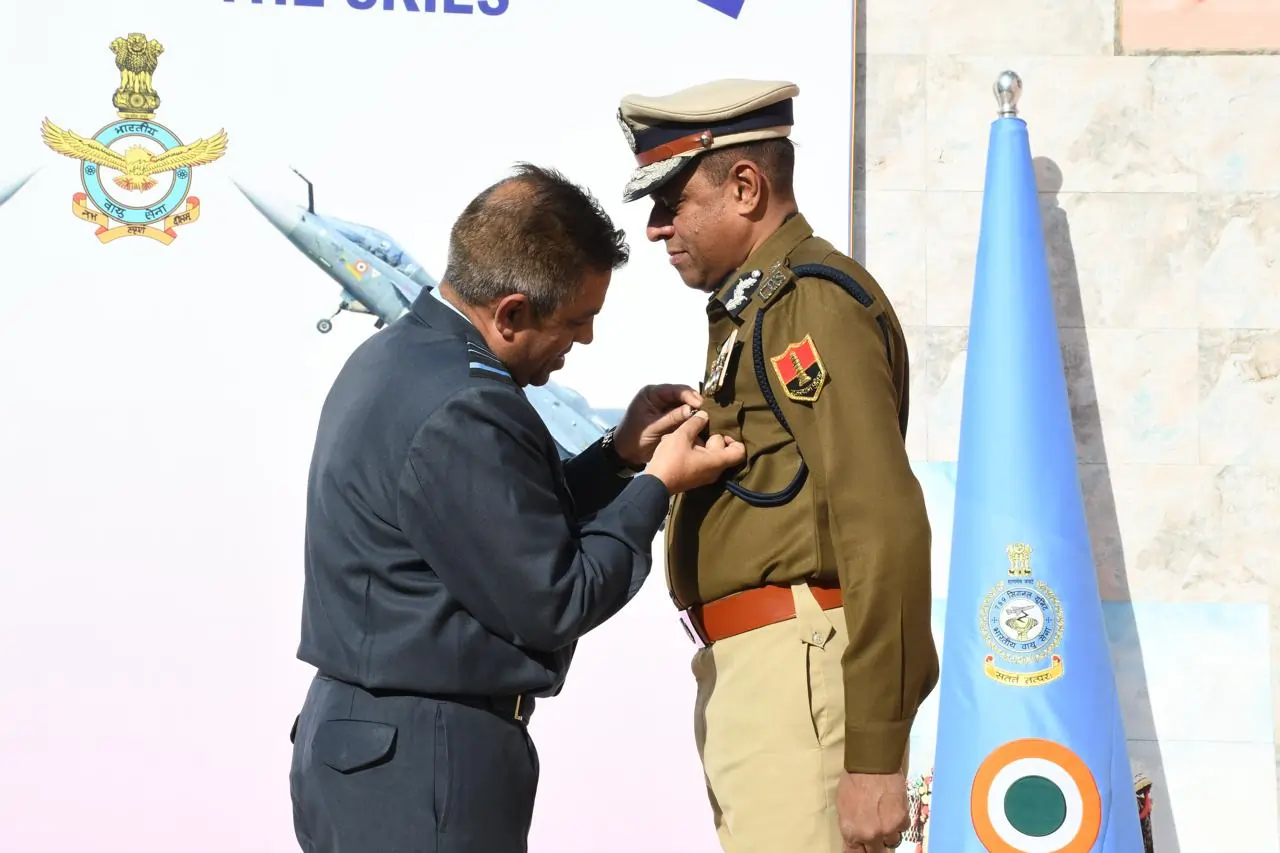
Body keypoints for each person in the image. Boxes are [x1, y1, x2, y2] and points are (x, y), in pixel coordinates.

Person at [287, 162, 747, 853]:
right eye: (577, 321)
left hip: (370, 746)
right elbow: (556, 594)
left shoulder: (396, 359)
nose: (583, 341)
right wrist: (657, 485)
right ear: (510, 313)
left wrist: (616, 455)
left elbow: (492, 523)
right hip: (423, 765)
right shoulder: (466, 405)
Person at [612, 79, 940, 853]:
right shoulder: (757, 307)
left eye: (673, 201)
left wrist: (875, 756)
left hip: (800, 677)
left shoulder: (809, 305)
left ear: (747, 187)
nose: (658, 229)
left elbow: (883, 522)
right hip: (762, 674)